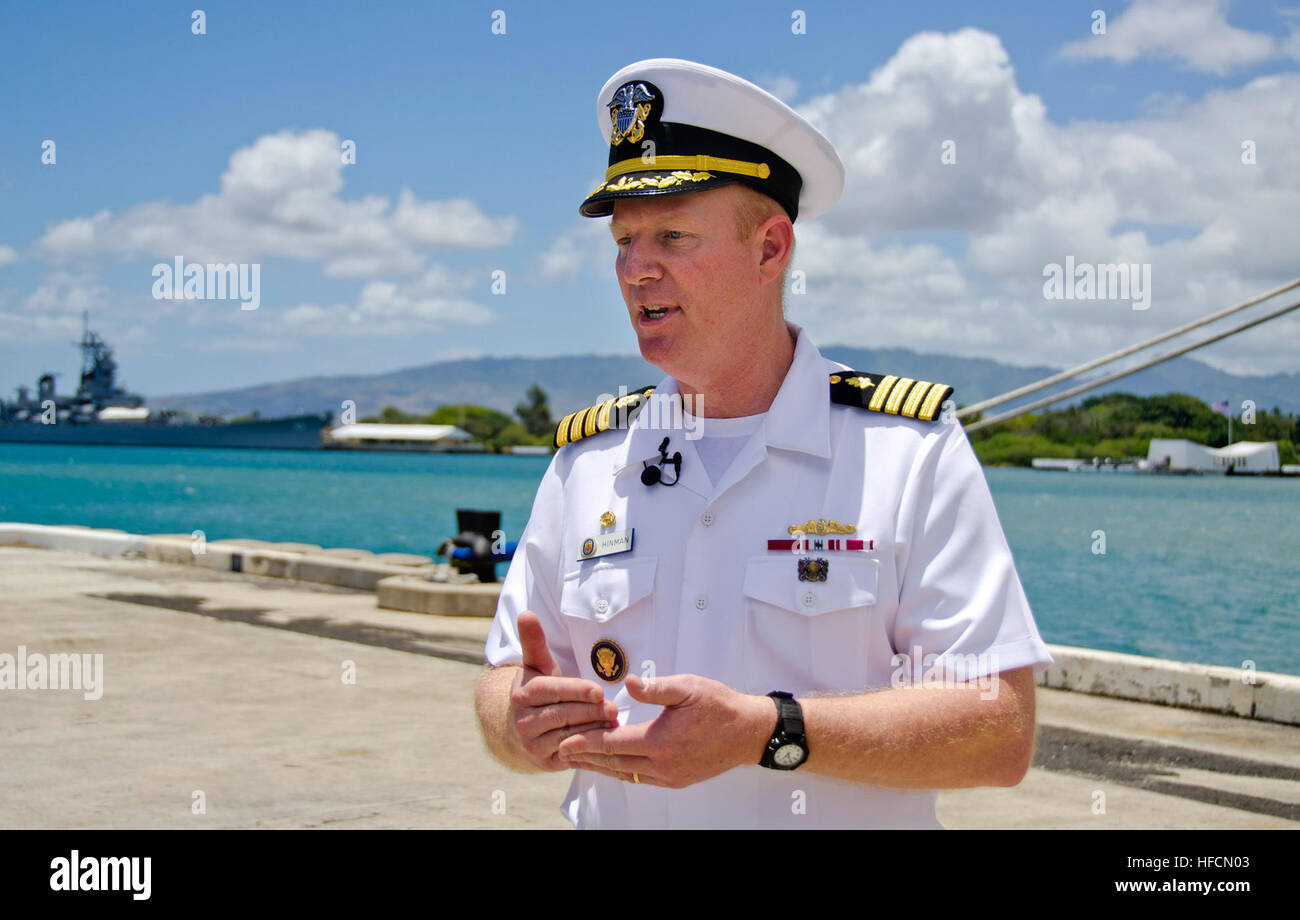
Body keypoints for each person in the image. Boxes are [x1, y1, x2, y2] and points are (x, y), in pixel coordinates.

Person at [474, 58, 1054, 829]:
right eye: (623, 241)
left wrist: (768, 732)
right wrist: (520, 723)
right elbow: (501, 682)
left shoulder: (907, 452)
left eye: (672, 236)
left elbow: (998, 731)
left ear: (770, 249)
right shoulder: (588, 462)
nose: (635, 270)